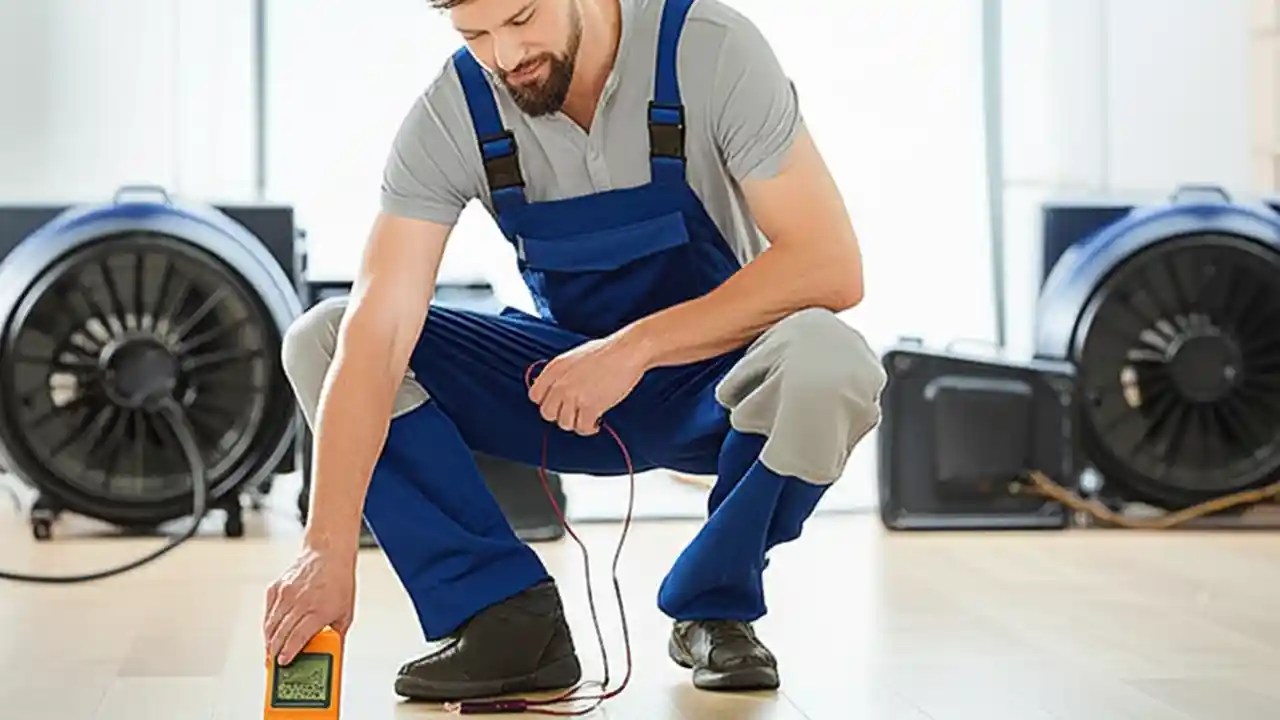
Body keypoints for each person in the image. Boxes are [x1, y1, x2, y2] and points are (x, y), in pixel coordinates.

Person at [262, 0, 886, 702]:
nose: (505, 56)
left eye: (522, 17)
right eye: (475, 34)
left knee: (833, 361)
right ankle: (505, 619)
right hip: (570, 396)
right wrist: (324, 548)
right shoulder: (456, 109)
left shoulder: (709, 49)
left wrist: (633, 349)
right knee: (324, 338)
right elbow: (376, 333)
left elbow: (830, 265)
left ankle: (715, 605)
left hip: (721, 389)